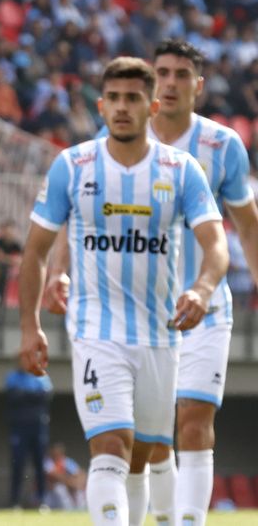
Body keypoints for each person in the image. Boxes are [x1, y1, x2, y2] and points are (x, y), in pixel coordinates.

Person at [43, 40, 258, 526]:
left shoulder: (223, 147)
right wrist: (59, 269)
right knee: (145, 443)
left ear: (198, 86)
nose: (172, 81)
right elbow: (76, 216)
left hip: (203, 309)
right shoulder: (114, 136)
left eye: (183, 74)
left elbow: (245, 226)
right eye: (163, 72)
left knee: (195, 421)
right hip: (132, 314)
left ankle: (186, 521)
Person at [4, 363, 53, 507]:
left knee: (40, 464)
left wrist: (25, 395)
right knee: (18, 464)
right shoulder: (13, 377)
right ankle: (15, 501)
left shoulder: (41, 375)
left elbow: (46, 395)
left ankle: (42, 500)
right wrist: (33, 396)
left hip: (38, 427)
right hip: (19, 427)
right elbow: (13, 396)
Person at [44, 442, 87, 511]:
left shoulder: (66, 461)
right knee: (60, 489)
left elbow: (80, 473)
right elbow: (54, 476)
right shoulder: (47, 461)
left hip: (67, 486)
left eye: (59, 452)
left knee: (79, 491)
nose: (57, 454)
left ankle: (79, 511)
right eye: (55, 451)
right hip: (49, 490)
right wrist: (71, 482)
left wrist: (77, 483)